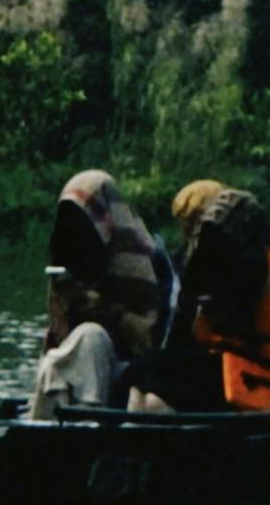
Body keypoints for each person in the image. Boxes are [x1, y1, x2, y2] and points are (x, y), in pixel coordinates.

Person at [152, 178, 270, 415]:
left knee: (162, 373)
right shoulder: (201, 267)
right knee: (148, 370)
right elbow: (179, 341)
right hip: (217, 372)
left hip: (261, 385)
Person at [27, 169, 176, 417]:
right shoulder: (71, 265)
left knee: (91, 338)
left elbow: (149, 342)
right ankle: (47, 426)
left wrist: (102, 309)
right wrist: (64, 308)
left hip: (130, 379)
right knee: (69, 351)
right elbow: (57, 341)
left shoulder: (150, 262)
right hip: (74, 372)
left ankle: (87, 423)